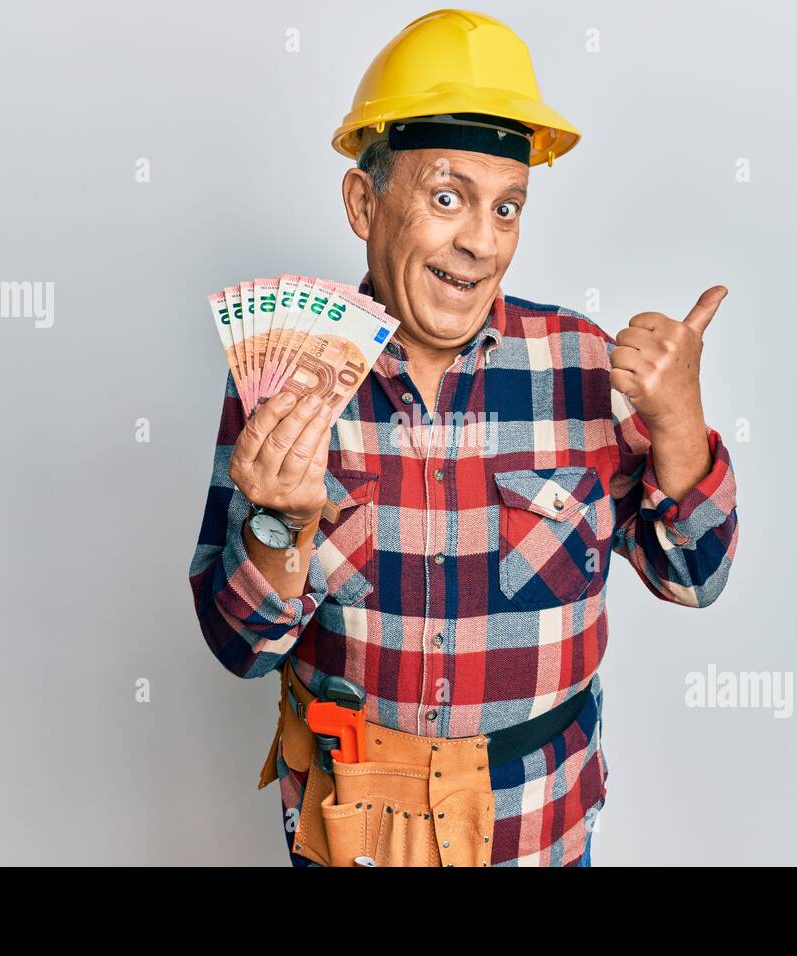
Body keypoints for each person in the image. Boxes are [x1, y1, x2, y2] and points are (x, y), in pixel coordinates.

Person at [189, 9, 739, 867]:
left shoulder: (584, 363)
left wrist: (678, 426)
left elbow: (695, 576)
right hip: (352, 836)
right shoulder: (290, 377)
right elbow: (238, 648)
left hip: (541, 834)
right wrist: (278, 528)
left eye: (507, 206)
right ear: (364, 200)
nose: (482, 242)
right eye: (447, 198)